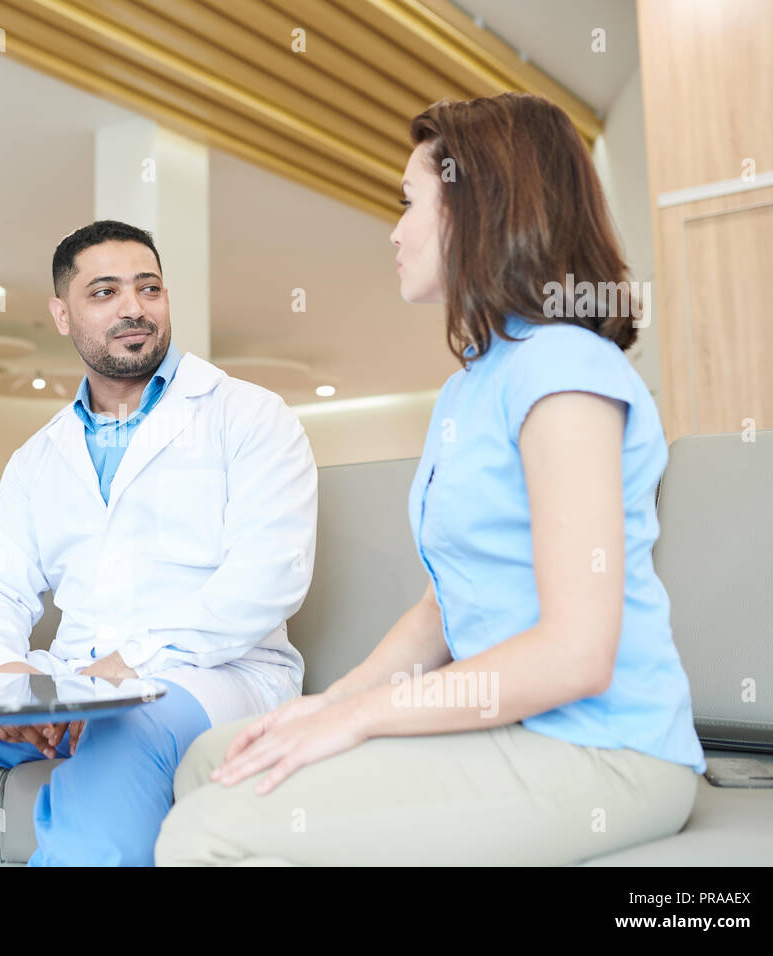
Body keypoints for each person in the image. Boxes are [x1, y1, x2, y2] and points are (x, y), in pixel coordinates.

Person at [155, 93, 705, 866]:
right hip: (506, 727)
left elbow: (576, 654)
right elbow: (442, 612)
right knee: (215, 758)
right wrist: (327, 704)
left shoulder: (565, 369)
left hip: (607, 750)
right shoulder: (472, 384)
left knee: (208, 830)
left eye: (409, 204)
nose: (395, 230)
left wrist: (366, 719)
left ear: (474, 208)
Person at [0, 220, 318, 866]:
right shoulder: (39, 456)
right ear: (62, 315)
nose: (134, 307)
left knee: (124, 725)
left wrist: (130, 665)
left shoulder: (251, 418)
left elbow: (266, 579)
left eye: (148, 288)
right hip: (73, 677)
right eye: (105, 292)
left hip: (213, 675)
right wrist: (4, 675)